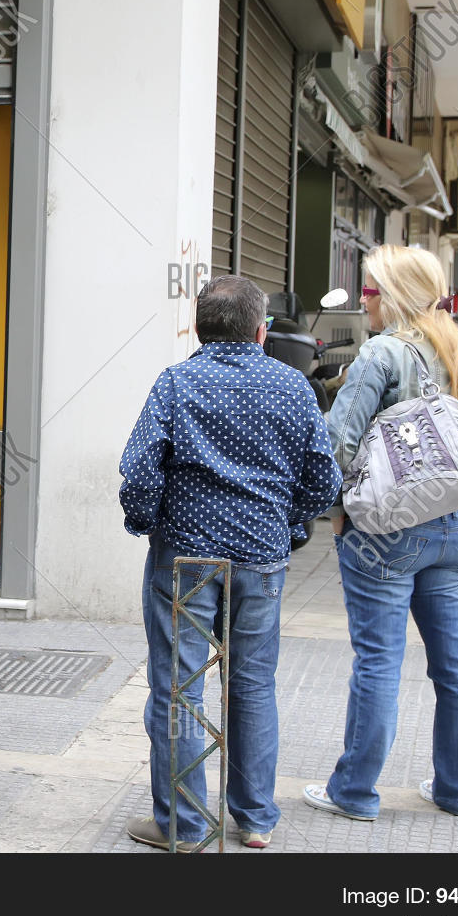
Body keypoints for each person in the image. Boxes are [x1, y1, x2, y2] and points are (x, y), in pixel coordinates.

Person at [305, 244, 458, 822]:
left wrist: (336, 513)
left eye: (371, 290)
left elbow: (338, 443)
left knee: (378, 662)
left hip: (383, 534)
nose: (363, 301)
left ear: (396, 296)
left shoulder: (380, 354)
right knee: (457, 666)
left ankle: (353, 793)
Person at [119, 275, 341, 851]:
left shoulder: (176, 383)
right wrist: (287, 526)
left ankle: (185, 827)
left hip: (186, 561)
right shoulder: (292, 388)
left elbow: (139, 474)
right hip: (261, 563)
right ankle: (256, 819)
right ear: (261, 331)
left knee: (180, 690)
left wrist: (148, 525)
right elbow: (324, 482)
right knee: (252, 684)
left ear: (197, 327)